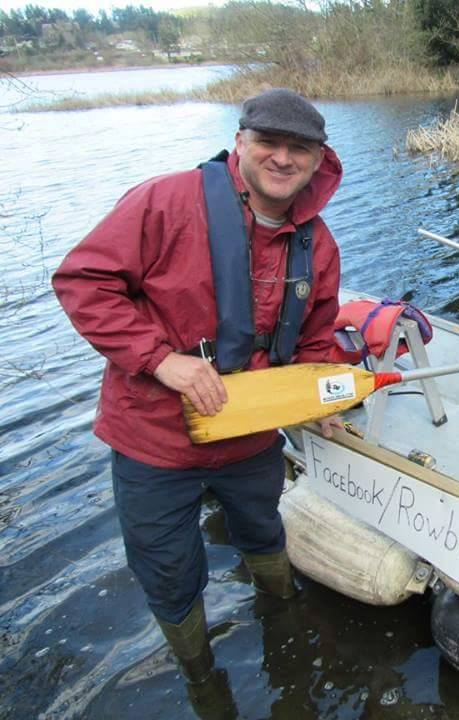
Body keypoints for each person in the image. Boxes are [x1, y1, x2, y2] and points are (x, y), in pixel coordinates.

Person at [52, 88, 346, 685]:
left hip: (251, 437)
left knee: (264, 531)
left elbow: (315, 339)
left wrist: (318, 401)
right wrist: (161, 360)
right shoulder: (165, 202)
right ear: (240, 143)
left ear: (319, 159)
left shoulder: (321, 246)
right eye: (268, 143)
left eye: (299, 149)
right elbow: (82, 282)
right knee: (168, 570)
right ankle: (201, 676)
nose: (282, 159)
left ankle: (283, 625)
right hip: (154, 442)